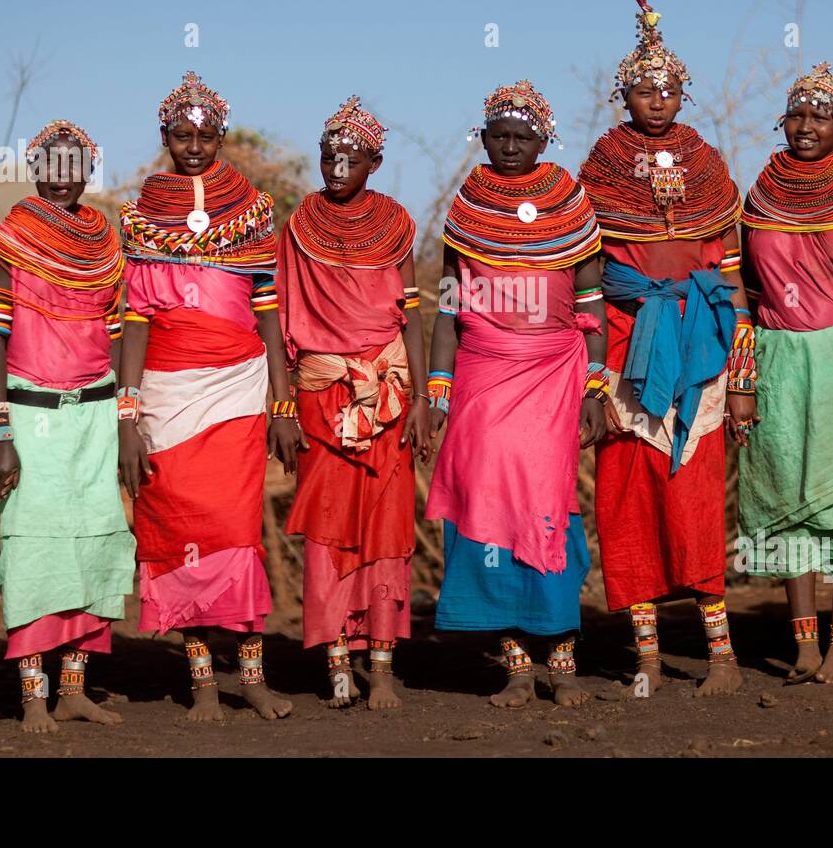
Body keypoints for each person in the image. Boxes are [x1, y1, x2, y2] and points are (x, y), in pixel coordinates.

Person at [577, 0, 749, 697]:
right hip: (626, 346)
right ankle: (645, 656)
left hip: (701, 345)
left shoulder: (707, 163)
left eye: (669, 88)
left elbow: (731, 278)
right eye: (644, 88)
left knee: (698, 494)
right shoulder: (603, 164)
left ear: (684, 92)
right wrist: (590, 379)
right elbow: (586, 279)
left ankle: (723, 655)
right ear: (623, 93)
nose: (657, 99)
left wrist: (744, 376)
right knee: (626, 497)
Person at [426, 80, 607, 708]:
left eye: (521, 137)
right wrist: (438, 392)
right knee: (484, 502)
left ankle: (561, 659)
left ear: (542, 140)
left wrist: (594, 387)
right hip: (480, 373)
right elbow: (448, 309)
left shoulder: (572, 205)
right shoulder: (467, 206)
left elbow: (591, 307)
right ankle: (516, 664)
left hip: (552, 374)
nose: (508, 146)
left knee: (547, 501)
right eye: (497, 136)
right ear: (484, 138)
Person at [118, 73, 291, 722]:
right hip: (166, 395)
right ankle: (202, 683)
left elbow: (268, 311)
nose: (193, 146)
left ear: (222, 134)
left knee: (236, 531)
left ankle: (250, 676)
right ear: (164, 137)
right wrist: (127, 414)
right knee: (179, 529)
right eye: (181, 135)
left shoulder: (250, 208)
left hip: (238, 389)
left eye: (205, 134)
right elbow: (135, 319)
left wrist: (282, 404)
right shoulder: (144, 214)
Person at [737, 64, 833, 684]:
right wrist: (744, 378)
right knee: (784, 500)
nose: (805, 127)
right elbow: (744, 294)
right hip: (777, 356)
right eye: (796, 115)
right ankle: (803, 647)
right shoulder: (762, 193)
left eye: (820, 117)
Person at [0, 119, 137, 732]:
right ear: (37, 168)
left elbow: (119, 333)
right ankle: (33, 697)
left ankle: (74, 688)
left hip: (97, 412)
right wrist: (0, 432)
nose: (65, 177)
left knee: (96, 541)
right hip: (32, 410)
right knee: (34, 548)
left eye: (77, 165)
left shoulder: (105, 238)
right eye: (55, 164)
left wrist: (126, 419)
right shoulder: (13, 235)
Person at [275, 97, 428, 710]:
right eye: (328, 154)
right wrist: (282, 409)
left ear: (375, 161)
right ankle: (338, 663)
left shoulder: (396, 225)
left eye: (351, 156)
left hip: (389, 395)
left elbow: (412, 313)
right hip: (320, 395)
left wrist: (421, 399)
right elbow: (282, 320)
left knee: (387, 527)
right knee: (328, 526)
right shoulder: (297, 227)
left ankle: (383, 667)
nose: (337, 166)